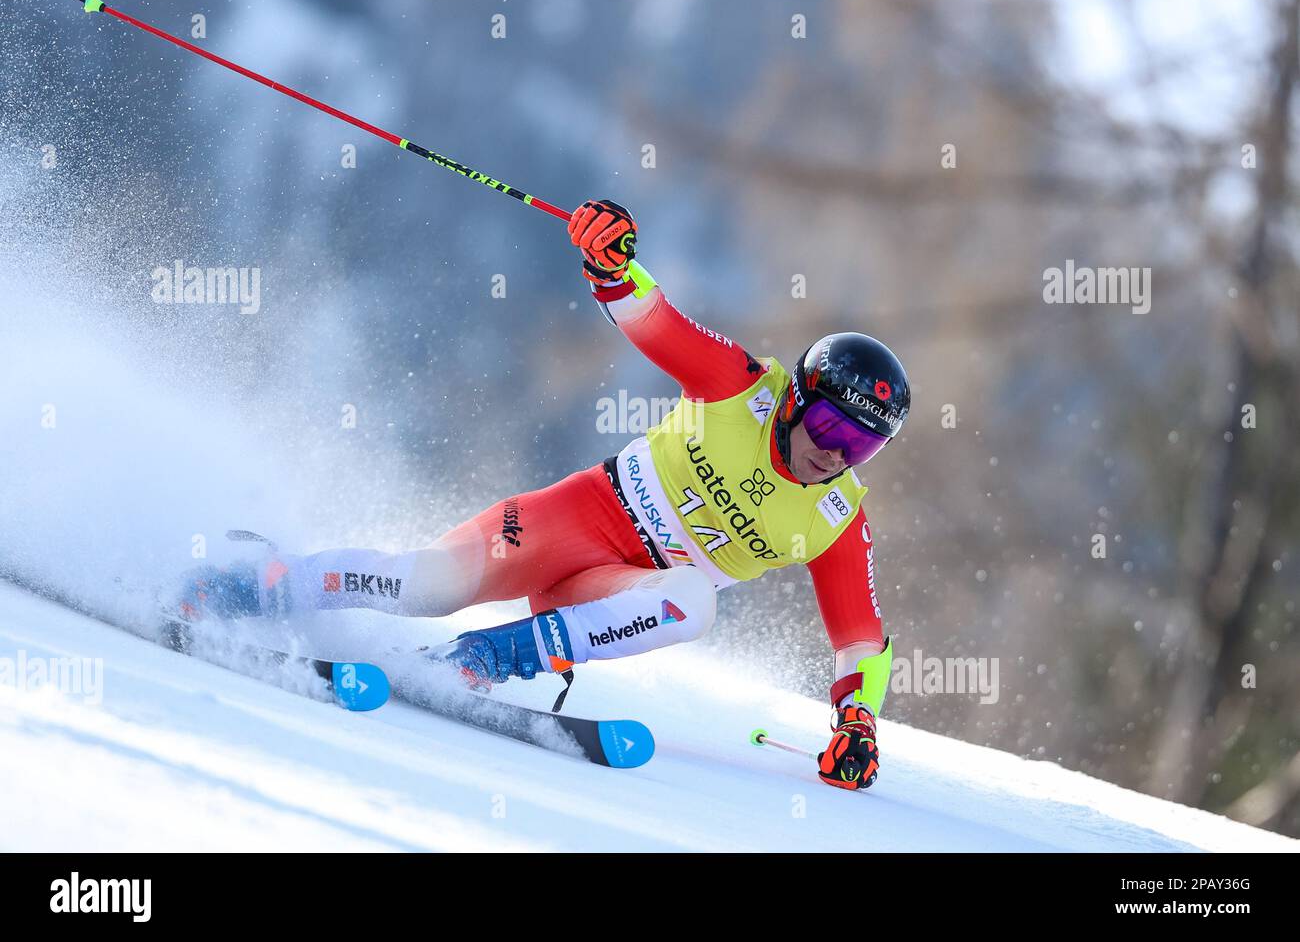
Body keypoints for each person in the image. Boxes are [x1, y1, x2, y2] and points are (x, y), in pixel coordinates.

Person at [175, 199, 910, 791]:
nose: (831, 454)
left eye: (858, 447)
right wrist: (611, 263)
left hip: (609, 594)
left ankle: (482, 659)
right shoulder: (742, 387)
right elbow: (657, 322)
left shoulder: (834, 518)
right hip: (575, 518)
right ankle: (263, 584)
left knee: (693, 601)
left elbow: (861, 640)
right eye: (826, 426)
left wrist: (858, 723)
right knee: (421, 585)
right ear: (795, 400)